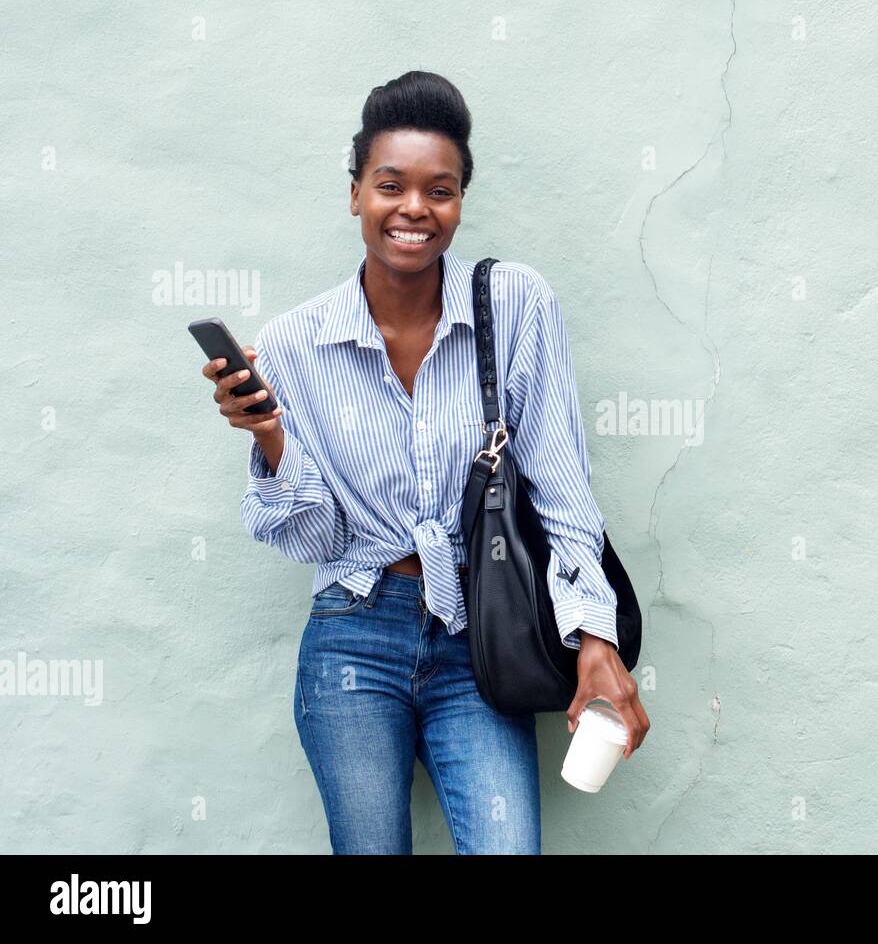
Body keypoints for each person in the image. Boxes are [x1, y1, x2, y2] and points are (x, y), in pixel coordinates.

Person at [199, 70, 650, 854]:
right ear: (355, 196)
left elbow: (561, 488)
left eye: (439, 190)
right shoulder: (297, 344)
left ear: (460, 201)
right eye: (389, 185)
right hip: (352, 635)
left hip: (483, 636)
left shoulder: (514, 305)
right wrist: (270, 437)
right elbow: (316, 538)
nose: (414, 208)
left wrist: (598, 642)